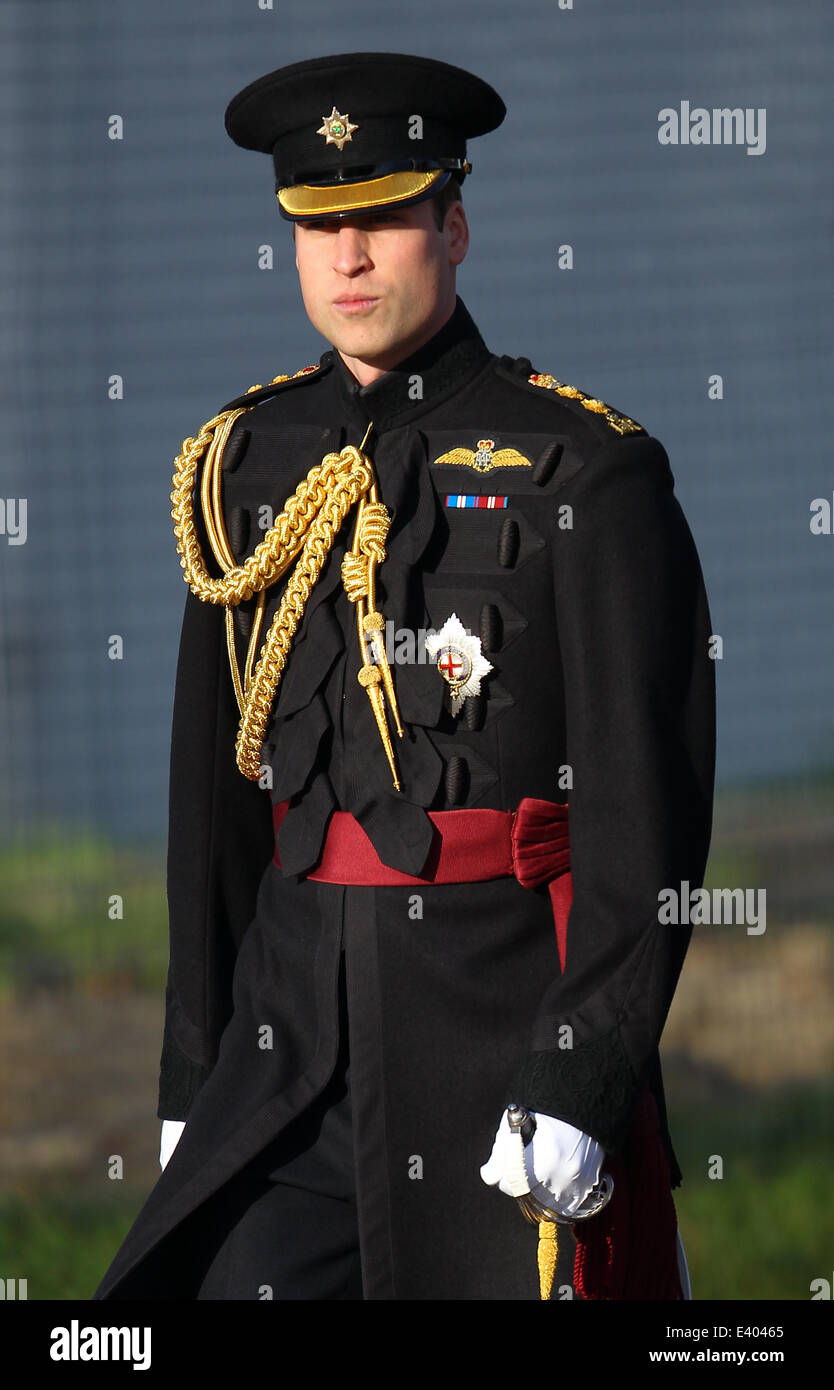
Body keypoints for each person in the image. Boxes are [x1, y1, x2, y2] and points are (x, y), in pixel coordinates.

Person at [94, 50, 715, 1302]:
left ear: (456, 224)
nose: (350, 255)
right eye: (318, 225)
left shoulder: (586, 472)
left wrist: (583, 1073)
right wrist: (191, 1078)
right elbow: (213, 822)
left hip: (496, 1054)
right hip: (283, 1069)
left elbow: (644, 823)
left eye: (381, 214)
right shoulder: (240, 464)